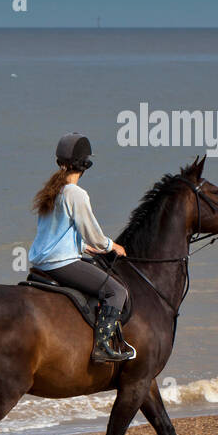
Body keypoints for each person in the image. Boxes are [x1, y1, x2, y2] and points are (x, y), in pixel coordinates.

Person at [28, 133, 136, 363]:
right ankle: (103, 346)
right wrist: (112, 246)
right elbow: (95, 235)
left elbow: (56, 232)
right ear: (86, 165)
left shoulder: (52, 191)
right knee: (116, 292)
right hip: (61, 263)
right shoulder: (76, 194)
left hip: (43, 260)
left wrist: (83, 247)